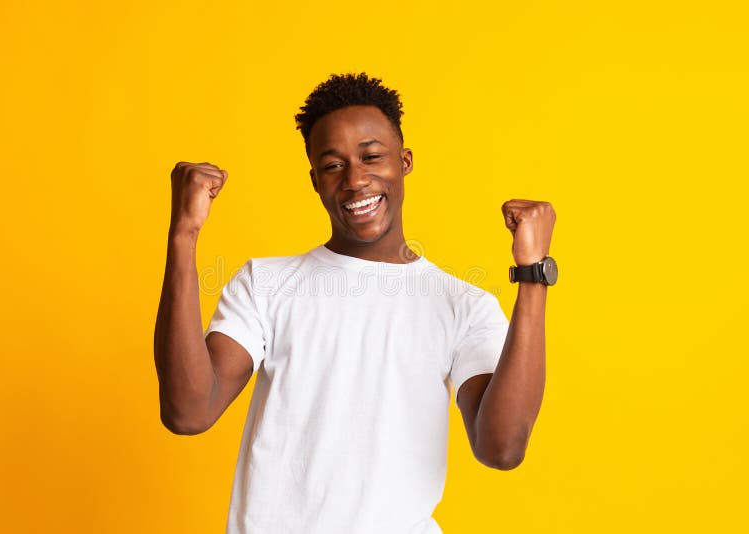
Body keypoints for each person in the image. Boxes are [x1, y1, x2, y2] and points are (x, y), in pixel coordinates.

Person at [153, 73, 557, 534]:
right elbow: (187, 412)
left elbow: (502, 449)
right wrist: (183, 235)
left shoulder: (463, 306)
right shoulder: (264, 285)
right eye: (333, 166)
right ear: (314, 181)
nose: (356, 179)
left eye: (371, 157)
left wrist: (533, 274)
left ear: (404, 161)